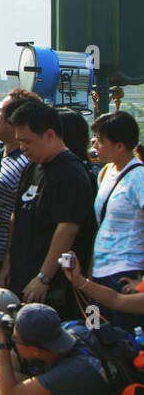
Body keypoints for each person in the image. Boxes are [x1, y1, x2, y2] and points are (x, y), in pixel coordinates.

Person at [1, 101, 96, 318]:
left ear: (50, 135)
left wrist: (44, 277)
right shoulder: (32, 166)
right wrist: (7, 264)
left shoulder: (71, 173)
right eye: (20, 141)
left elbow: (67, 229)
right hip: (21, 275)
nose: (23, 147)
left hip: (52, 287)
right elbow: (17, 216)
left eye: (27, 141)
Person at [86, 110, 144, 330]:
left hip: (125, 273)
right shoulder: (106, 172)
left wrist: (143, 283)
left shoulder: (139, 177)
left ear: (120, 146)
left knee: (124, 341)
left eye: (101, 141)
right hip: (100, 272)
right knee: (95, 332)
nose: (96, 147)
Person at [0, 90, 39, 284]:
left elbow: (20, 217)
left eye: (0, 111)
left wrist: (8, 264)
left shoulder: (26, 163)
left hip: (5, 260)